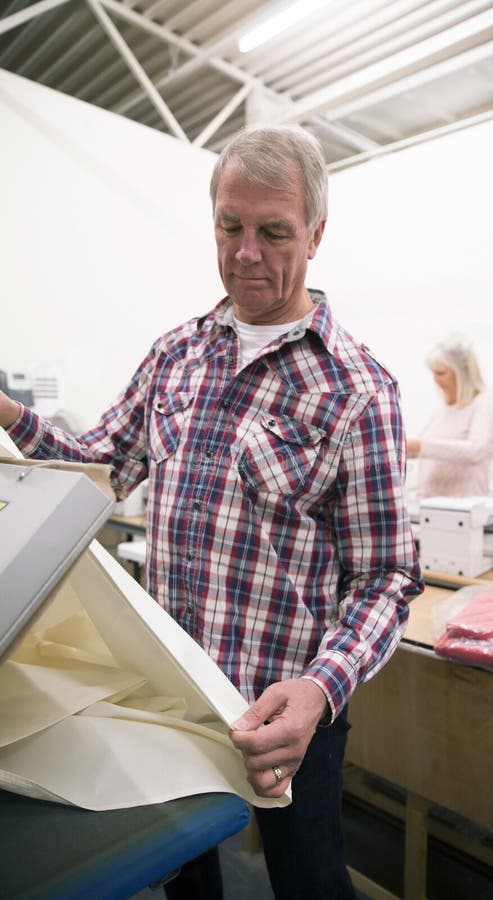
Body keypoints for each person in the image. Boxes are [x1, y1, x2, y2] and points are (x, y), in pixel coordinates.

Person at [0, 125, 422, 899]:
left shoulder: (357, 389)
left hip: (288, 709)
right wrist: (5, 415)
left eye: (274, 232)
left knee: (309, 880)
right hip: (174, 697)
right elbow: (98, 469)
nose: (247, 252)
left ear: (317, 234)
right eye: (231, 226)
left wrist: (322, 689)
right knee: (187, 878)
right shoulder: (176, 356)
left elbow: (387, 576)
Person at [406, 334, 493, 499]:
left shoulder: (486, 400)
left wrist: (419, 445)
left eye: (441, 373)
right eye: (433, 373)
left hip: (464, 507)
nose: (435, 380)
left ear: (462, 372)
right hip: (428, 502)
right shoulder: (444, 407)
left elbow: (476, 450)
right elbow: (421, 450)